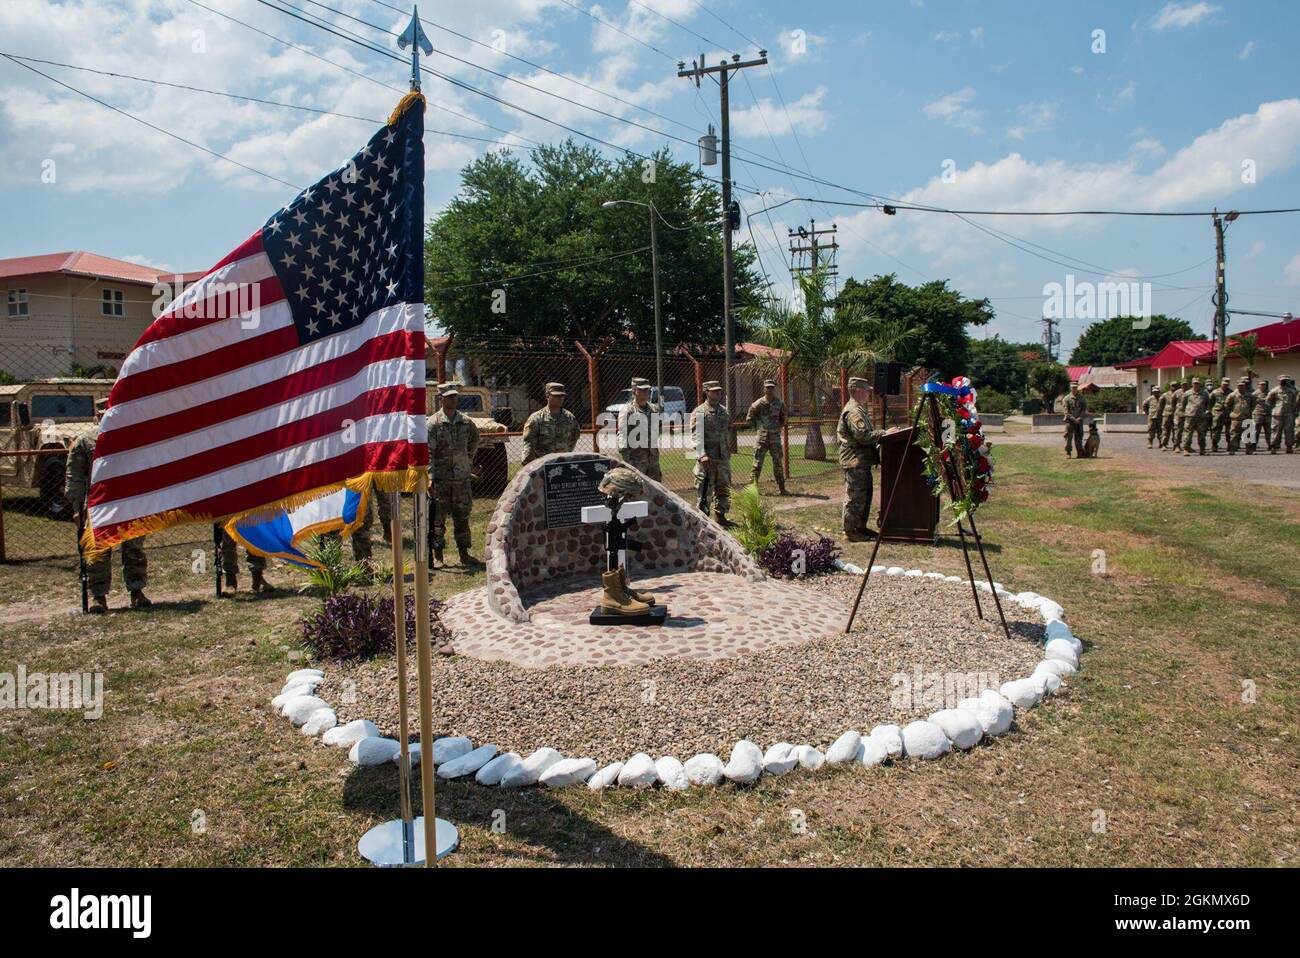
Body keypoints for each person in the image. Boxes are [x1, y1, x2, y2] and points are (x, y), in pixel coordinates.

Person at [65, 398, 150, 613]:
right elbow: (74, 476)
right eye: (105, 412)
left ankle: (137, 591)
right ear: (99, 414)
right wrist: (76, 508)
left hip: (130, 502)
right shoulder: (85, 440)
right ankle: (98, 596)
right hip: (98, 504)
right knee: (98, 551)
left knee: (134, 549)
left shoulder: (133, 436)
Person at [428, 382, 480, 566]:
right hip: (441, 479)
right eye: (449, 396)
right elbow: (428, 453)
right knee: (437, 519)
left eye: (455, 396)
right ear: (440, 398)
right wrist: (430, 477)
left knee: (462, 516)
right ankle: (438, 555)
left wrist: (468, 459)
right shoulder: (433, 423)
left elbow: (475, 439)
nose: (453, 399)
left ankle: (464, 553)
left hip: (461, 478)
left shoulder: (466, 421)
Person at [837, 377, 890, 541]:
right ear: (858, 390)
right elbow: (863, 436)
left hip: (861, 461)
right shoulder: (853, 411)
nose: (869, 393)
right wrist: (884, 433)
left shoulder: (859, 409)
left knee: (864, 496)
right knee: (855, 496)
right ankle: (850, 531)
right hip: (855, 460)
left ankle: (860, 527)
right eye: (867, 390)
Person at [688, 381, 732, 525]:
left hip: (722, 459)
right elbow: (696, 436)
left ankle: (721, 518)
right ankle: (702, 523)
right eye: (714, 391)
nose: (718, 393)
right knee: (705, 492)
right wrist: (702, 455)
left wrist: (727, 449)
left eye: (719, 391)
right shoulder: (699, 412)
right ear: (706, 392)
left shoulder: (724, 411)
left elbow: (727, 431)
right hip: (707, 460)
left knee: (723, 489)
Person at [521, 382, 580, 464]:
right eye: (556, 396)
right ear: (547, 396)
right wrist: (528, 466)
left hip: (564, 462)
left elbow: (574, 437)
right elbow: (529, 444)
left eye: (562, 396)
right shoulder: (536, 418)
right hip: (543, 464)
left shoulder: (570, 418)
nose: (560, 399)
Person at [616, 377, 662, 481]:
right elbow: (622, 436)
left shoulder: (654, 409)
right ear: (634, 391)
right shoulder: (628, 411)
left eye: (647, 390)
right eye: (642, 390)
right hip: (636, 461)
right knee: (636, 491)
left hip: (653, 460)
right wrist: (628, 461)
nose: (646, 392)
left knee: (656, 490)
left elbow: (657, 430)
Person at [747, 379, 788, 493]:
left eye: (771, 387)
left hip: (775, 439)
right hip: (761, 440)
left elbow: (783, 419)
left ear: (774, 389)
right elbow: (749, 418)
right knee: (757, 464)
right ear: (764, 389)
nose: (769, 389)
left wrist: (776, 428)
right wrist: (760, 428)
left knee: (778, 464)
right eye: (767, 387)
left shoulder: (780, 403)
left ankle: (782, 489)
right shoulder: (758, 404)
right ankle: (752, 490)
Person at [1265, 374, 1297, 454]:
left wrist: (1292, 410)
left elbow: (1294, 402)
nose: (1284, 382)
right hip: (1277, 415)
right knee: (1275, 431)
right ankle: (1273, 447)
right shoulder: (1274, 391)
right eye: (1282, 380)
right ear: (1279, 381)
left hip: (1288, 414)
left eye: (1285, 380)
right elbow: (1268, 401)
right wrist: (1274, 408)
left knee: (1289, 431)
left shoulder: (1292, 391)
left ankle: (1289, 447)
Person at [1225, 378, 1255, 455]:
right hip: (1236, 418)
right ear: (1237, 386)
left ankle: (1248, 449)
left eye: (1242, 386)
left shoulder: (1249, 395)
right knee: (1234, 434)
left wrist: (1249, 411)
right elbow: (1227, 405)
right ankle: (1232, 449)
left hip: (1247, 417)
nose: (1241, 387)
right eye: (1239, 386)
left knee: (1248, 434)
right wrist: (1232, 413)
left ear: (1245, 386)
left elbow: (1253, 405)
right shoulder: (1232, 395)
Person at [1180, 377, 1210, 456]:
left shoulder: (1205, 393)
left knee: (1202, 434)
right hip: (1190, 416)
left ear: (1200, 384)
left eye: (1197, 383)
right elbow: (1183, 404)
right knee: (1188, 433)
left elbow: (1208, 404)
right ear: (1192, 384)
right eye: (1195, 383)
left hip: (1201, 417)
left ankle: (1202, 449)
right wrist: (1184, 412)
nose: (1196, 385)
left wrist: (1206, 411)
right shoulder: (1187, 393)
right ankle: (1186, 449)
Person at [1063, 381, 1088, 458]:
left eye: (1075, 387)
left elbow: (1084, 409)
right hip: (1070, 421)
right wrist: (1074, 419)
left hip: (1079, 421)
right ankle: (1068, 453)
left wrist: (1080, 417)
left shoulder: (1082, 398)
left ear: (1077, 388)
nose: (1074, 389)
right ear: (1070, 388)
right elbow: (1066, 412)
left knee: (1079, 438)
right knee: (1068, 438)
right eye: (1073, 387)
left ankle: (1080, 453)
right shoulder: (1066, 398)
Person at [1208, 377, 1232, 453]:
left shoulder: (1231, 392)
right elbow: (1209, 403)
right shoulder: (1215, 392)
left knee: (1229, 431)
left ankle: (1230, 445)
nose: (1225, 385)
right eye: (1224, 384)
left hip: (1228, 414)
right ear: (1221, 383)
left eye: (1227, 384)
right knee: (1216, 431)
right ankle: (1214, 445)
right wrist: (1211, 412)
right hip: (1217, 414)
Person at [1251, 379, 1271, 453]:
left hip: (1267, 414)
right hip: (1258, 414)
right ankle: (1253, 446)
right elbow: (1251, 404)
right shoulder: (1254, 394)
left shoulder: (1269, 393)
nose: (1262, 386)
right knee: (1256, 431)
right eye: (1261, 384)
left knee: (1268, 432)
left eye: (1264, 384)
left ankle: (1270, 445)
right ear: (1258, 385)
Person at [1161, 382, 1180, 450]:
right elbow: (1161, 404)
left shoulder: (1179, 394)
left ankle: (1176, 445)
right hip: (1167, 414)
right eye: (1172, 386)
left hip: (1176, 414)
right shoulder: (1165, 394)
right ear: (1170, 386)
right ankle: (1164, 445)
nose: (1174, 387)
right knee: (1165, 430)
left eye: (1175, 386)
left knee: (1176, 431)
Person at [1142, 385, 1161, 449]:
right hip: (1152, 417)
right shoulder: (1149, 398)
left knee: (1160, 431)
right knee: (1151, 430)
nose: (1156, 393)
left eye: (1157, 392)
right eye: (1154, 392)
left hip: (1160, 417)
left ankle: (1161, 443)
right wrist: (1147, 412)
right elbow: (1144, 405)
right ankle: (1150, 443)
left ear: (1159, 392)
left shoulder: (1162, 398)